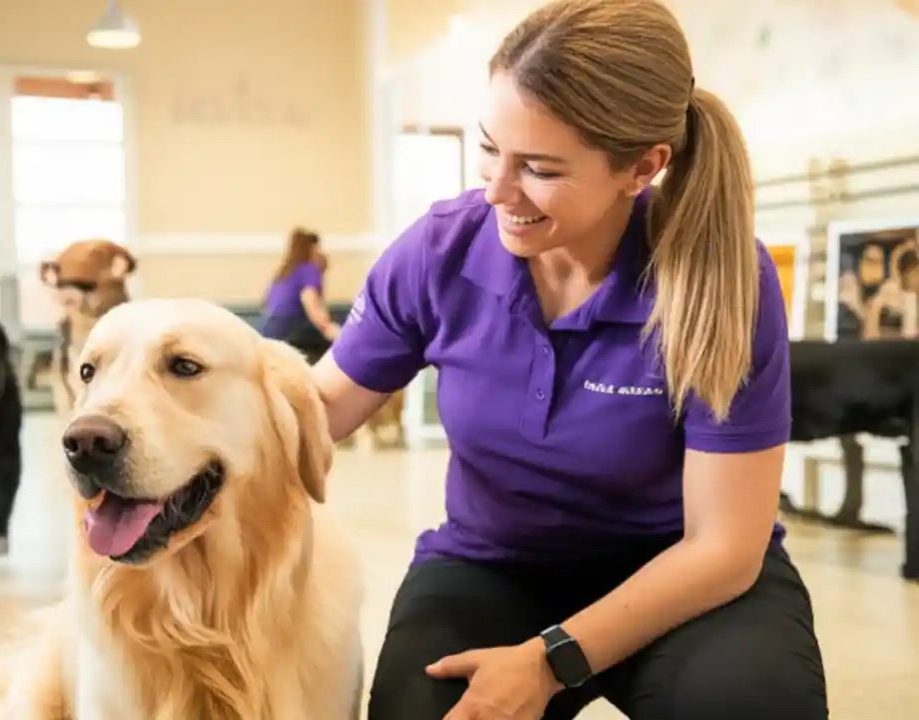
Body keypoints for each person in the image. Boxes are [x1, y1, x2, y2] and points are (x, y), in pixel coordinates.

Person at [313, 0, 828, 718]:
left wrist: (552, 659)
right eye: (490, 147)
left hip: (680, 574)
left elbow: (724, 548)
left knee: (747, 705)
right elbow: (315, 413)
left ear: (642, 167)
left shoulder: (722, 279)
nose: (495, 189)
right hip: (493, 565)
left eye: (540, 168)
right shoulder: (439, 251)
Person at [260, 227, 340, 363]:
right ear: (311, 248)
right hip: (291, 329)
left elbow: (267, 302)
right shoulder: (308, 268)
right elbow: (310, 301)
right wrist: (330, 329)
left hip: (268, 329)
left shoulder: (285, 272)